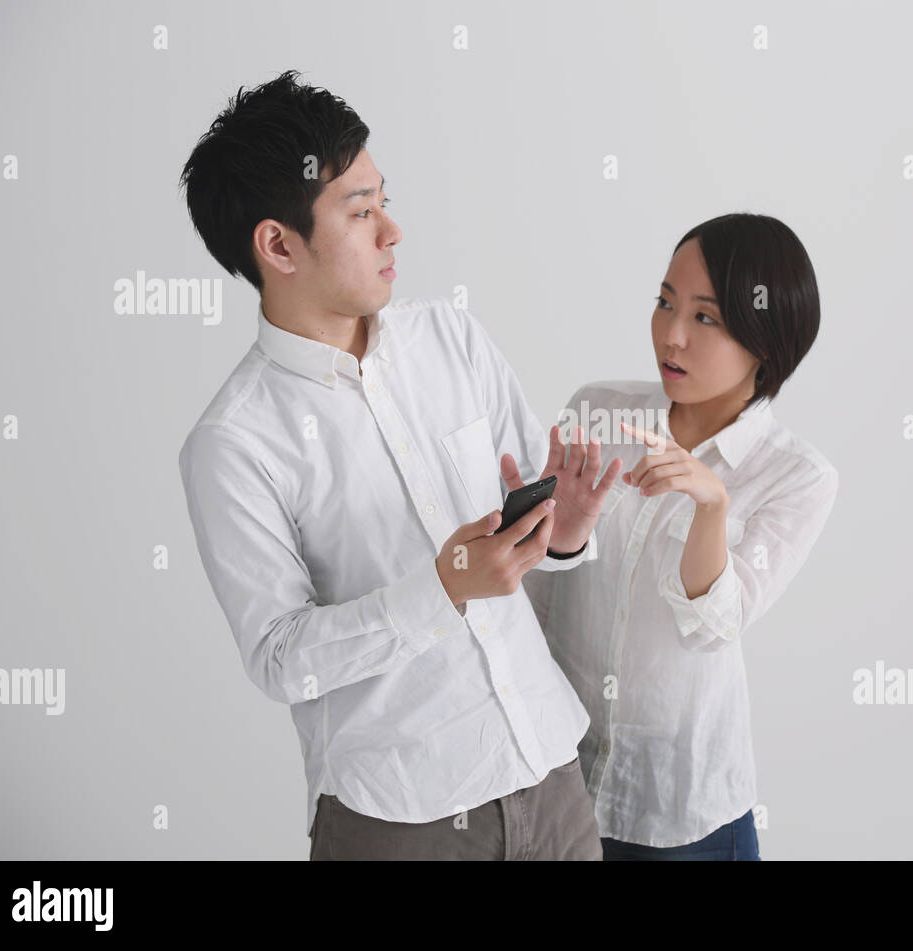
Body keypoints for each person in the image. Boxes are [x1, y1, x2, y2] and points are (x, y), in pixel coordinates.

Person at [176, 70, 622, 860]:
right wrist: (441, 588)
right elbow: (281, 656)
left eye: (384, 199)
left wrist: (564, 531)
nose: (393, 231)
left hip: (549, 775)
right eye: (361, 211)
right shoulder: (234, 443)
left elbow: (522, 525)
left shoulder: (450, 336)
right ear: (278, 244)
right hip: (397, 819)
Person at [522, 213, 838, 860]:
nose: (670, 335)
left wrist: (711, 505)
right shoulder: (598, 409)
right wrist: (553, 538)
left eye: (705, 318)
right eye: (665, 302)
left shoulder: (796, 476)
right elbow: (536, 600)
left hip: (681, 812)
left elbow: (713, 625)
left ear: (766, 344)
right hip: (557, 789)